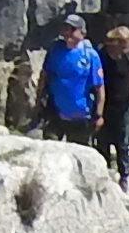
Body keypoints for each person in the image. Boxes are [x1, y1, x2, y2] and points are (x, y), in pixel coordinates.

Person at [94, 19, 129, 181]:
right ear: (116, 42)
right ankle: (104, 172)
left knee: (123, 142)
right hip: (106, 104)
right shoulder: (102, 56)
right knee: (103, 139)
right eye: (126, 42)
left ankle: (124, 175)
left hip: (124, 103)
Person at [38, 11, 104, 142]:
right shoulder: (56, 50)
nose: (68, 33)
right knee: (52, 147)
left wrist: (99, 114)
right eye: (65, 29)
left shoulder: (90, 55)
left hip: (81, 115)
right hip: (55, 111)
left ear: (82, 33)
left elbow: (99, 87)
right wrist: (39, 98)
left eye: (72, 29)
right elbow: (45, 74)